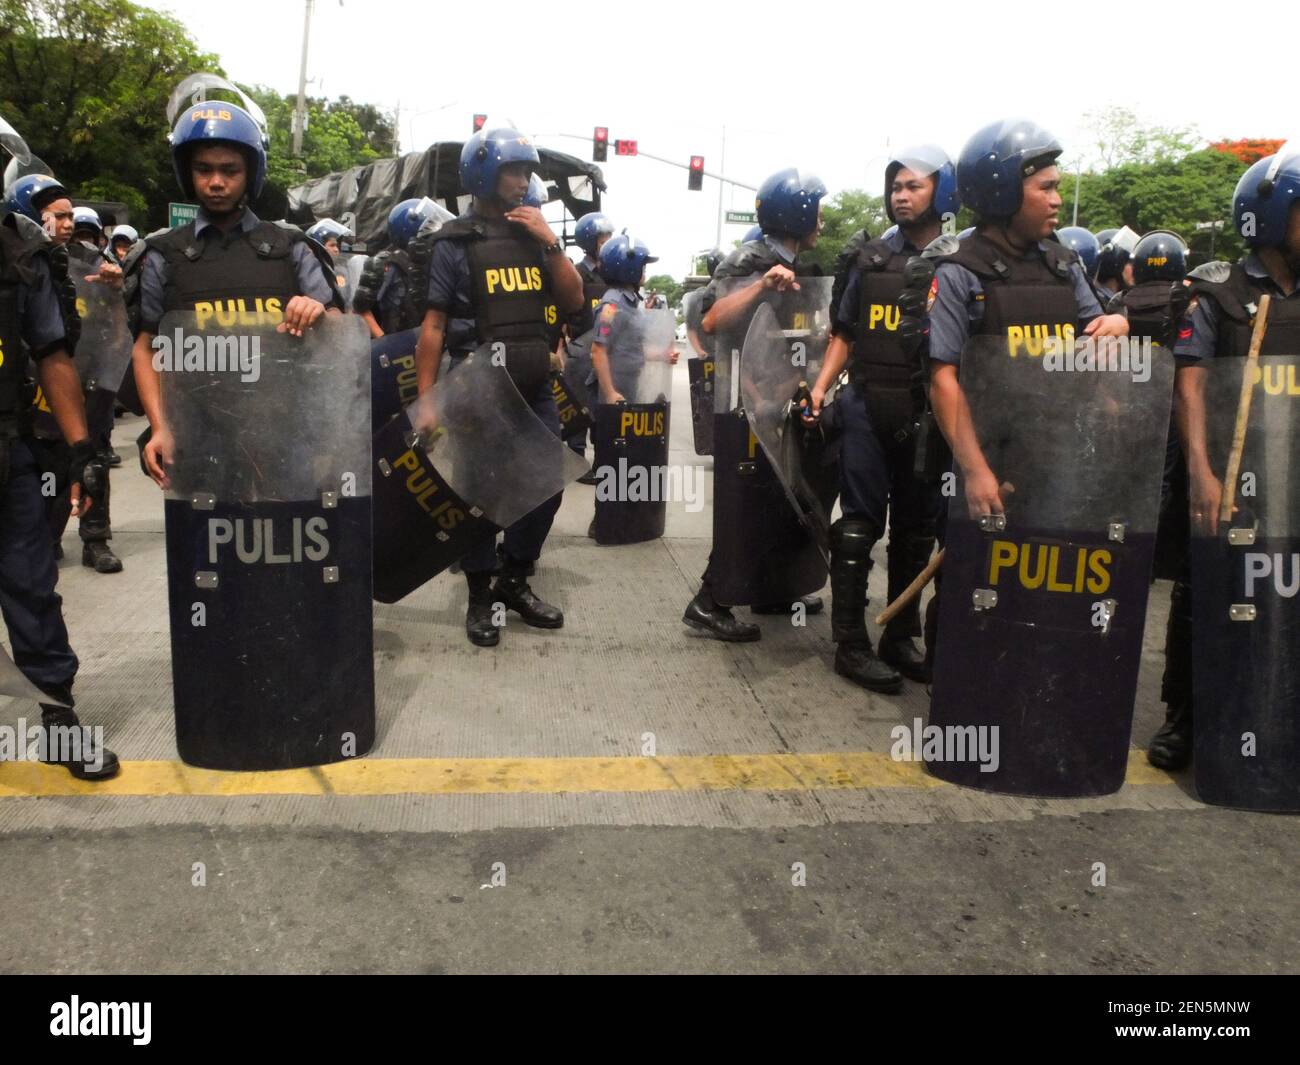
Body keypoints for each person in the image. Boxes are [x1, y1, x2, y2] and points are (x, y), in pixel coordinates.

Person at [916, 120, 1129, 674]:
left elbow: (1093, 335)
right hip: (984, 460)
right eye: (1047, 188)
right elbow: (943, 378)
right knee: (971, 584)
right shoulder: (960, 271)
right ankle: (955, 703)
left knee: (1041, 582)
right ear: (1005, 192)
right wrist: (977, 471)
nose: (1058, 200)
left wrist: (1116, 327)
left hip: (1053, 458)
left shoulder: (1063, 264)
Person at [1155, 152, 1300, 770]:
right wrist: (1203, 473)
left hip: (1293, 480)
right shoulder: (1217, 297)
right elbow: (1188, 388)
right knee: (1203, 595)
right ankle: (1184, 720)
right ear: (1268, 218)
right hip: (1233, 479)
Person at [415, 126, 584, 648]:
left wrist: (551, 242)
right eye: (514, 169)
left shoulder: (536, 238)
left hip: (535, 385)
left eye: (527, 171)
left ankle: (515, 578)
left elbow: (575, 302)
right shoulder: (454, 243)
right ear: (484, 173)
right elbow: (434, 327)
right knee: (480, 494)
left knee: (547, 482)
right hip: (477, 386)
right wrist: (427, 402)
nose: (523, 180)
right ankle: (480, 594)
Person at [805, 147, 959, 691]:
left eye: (913, 186)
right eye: (895, 186)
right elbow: (844, 333)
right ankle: (850, 642)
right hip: (868, 406)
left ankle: (900, 635)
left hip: (930, 417)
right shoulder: (869, 260)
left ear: (942, 193)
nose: (900, 195)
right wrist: (822, 387)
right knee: (856, 529)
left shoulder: (961, 262)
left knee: (917, 532)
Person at [131, 98, 342, 486]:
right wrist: (160, 427)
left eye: (230, 170)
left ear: (250, 173)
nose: (215, 182)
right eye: (204, 170)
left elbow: (341, 338)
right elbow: (146, 347)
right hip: (199, 438)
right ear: (187, 172)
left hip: (285, 438)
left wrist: (315, 309)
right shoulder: (164, 254)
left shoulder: (292, 247)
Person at [0, 132, 118, 778]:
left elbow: (51, 354)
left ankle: (58, 722)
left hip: (9, 450)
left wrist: (81, 449)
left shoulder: (21, 253)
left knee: (32, 588)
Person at [681, 168, 829, 641]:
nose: (822, 216)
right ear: (798, 210)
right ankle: (709, 602)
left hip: (780, 405)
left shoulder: (802, 265)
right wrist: (762, 285)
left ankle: (770, 589)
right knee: (741, 510)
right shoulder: (748, 260)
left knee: (777, 505)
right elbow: (711, 319)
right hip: (743, 406)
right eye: (817, 207)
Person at [353, 198, 447, 339]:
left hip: (428, 338)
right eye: (429, 230)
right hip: (401, 347)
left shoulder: (432, 260)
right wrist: (383, 341)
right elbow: (361, 309)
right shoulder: (392, 265)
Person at [564, 210, 615, 471]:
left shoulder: (611, 275)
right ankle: (576, 460)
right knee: (579, 409)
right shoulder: (577, 274)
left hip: (603, 350)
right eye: (603, 239)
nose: (608, 244)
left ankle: (600, 462)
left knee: (601, 410)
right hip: (580, 351)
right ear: (589, 242)